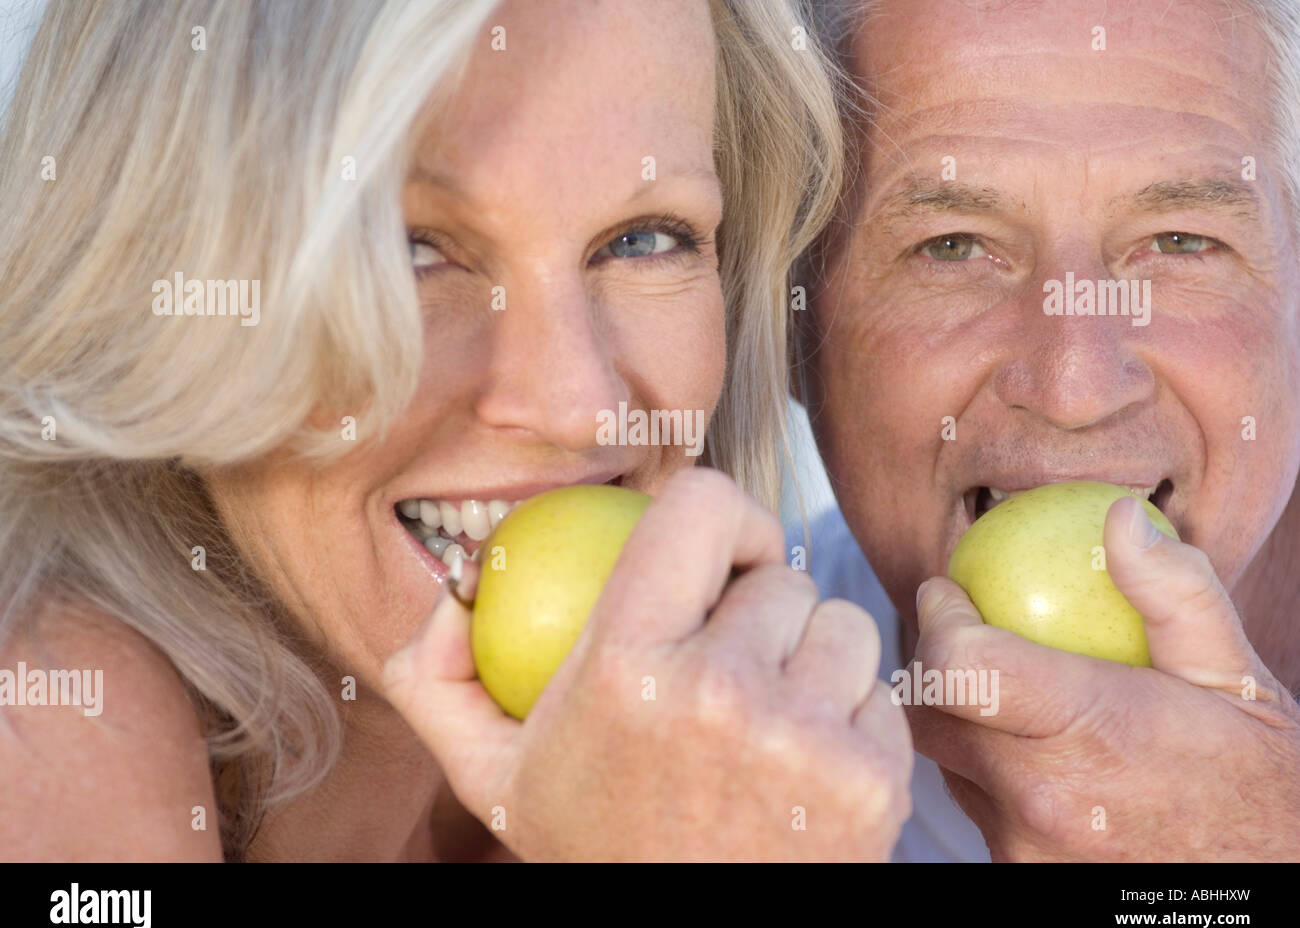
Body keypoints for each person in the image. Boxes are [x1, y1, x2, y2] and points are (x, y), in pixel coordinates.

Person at [0, 0, 911, 861]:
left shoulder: (729, 745)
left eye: (644, 239)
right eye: (411, 249)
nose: (578, 406)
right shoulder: (52, 706)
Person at [800, 0, 1300, 861]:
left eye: (1179, 240)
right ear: (792, 329)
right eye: (951, 246)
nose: (1076, 386)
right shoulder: (698, 749)